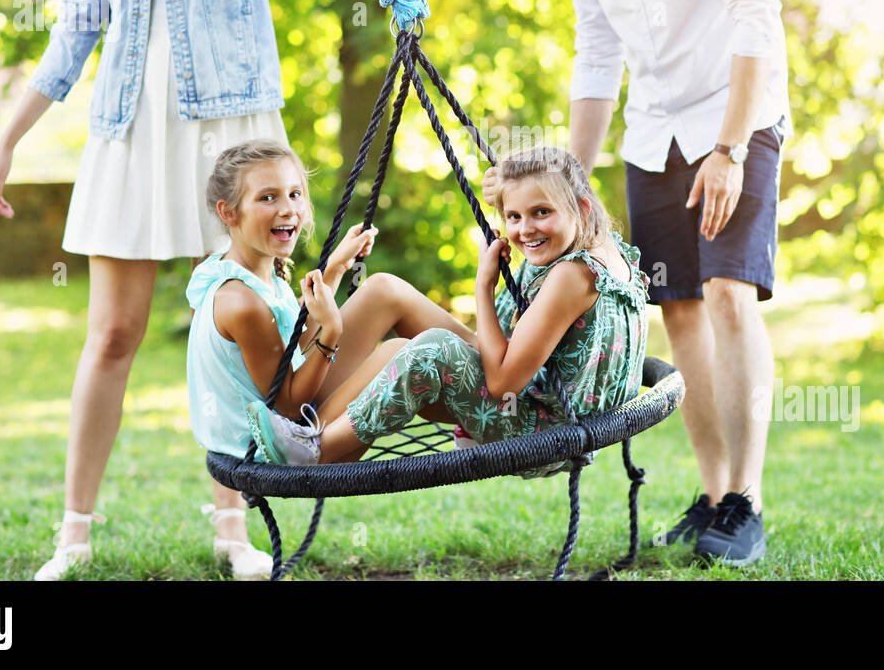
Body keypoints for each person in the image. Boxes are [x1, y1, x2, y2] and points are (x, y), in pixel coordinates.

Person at [0, 0, 427, 580]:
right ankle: (73, 536)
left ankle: (232, 528)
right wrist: (8, 137)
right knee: (112, 334)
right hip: (131, 132)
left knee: (238, 329)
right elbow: (75, 28)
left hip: (231, 133)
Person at [540, 0, 791, 566]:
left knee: (728, 296)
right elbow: (596, 55)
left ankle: (747, 500)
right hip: (652, 135)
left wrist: (729, 148)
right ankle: (712, 494)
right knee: (678, 311)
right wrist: (571, 187)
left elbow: (755, 18)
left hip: (736, 117)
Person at [245, 146, 648, 474]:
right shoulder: (597, 243)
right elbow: (536, 198)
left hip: (544, 433)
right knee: (385, 289)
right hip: (530, 392)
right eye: (513, 215)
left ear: (582, 207)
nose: (526, 229)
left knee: (425, 349)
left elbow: (502, 384)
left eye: (542, 212)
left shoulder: (573, 276)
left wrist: (483, 286)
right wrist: (509, 186)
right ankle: (301, 415)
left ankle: (312, 450)